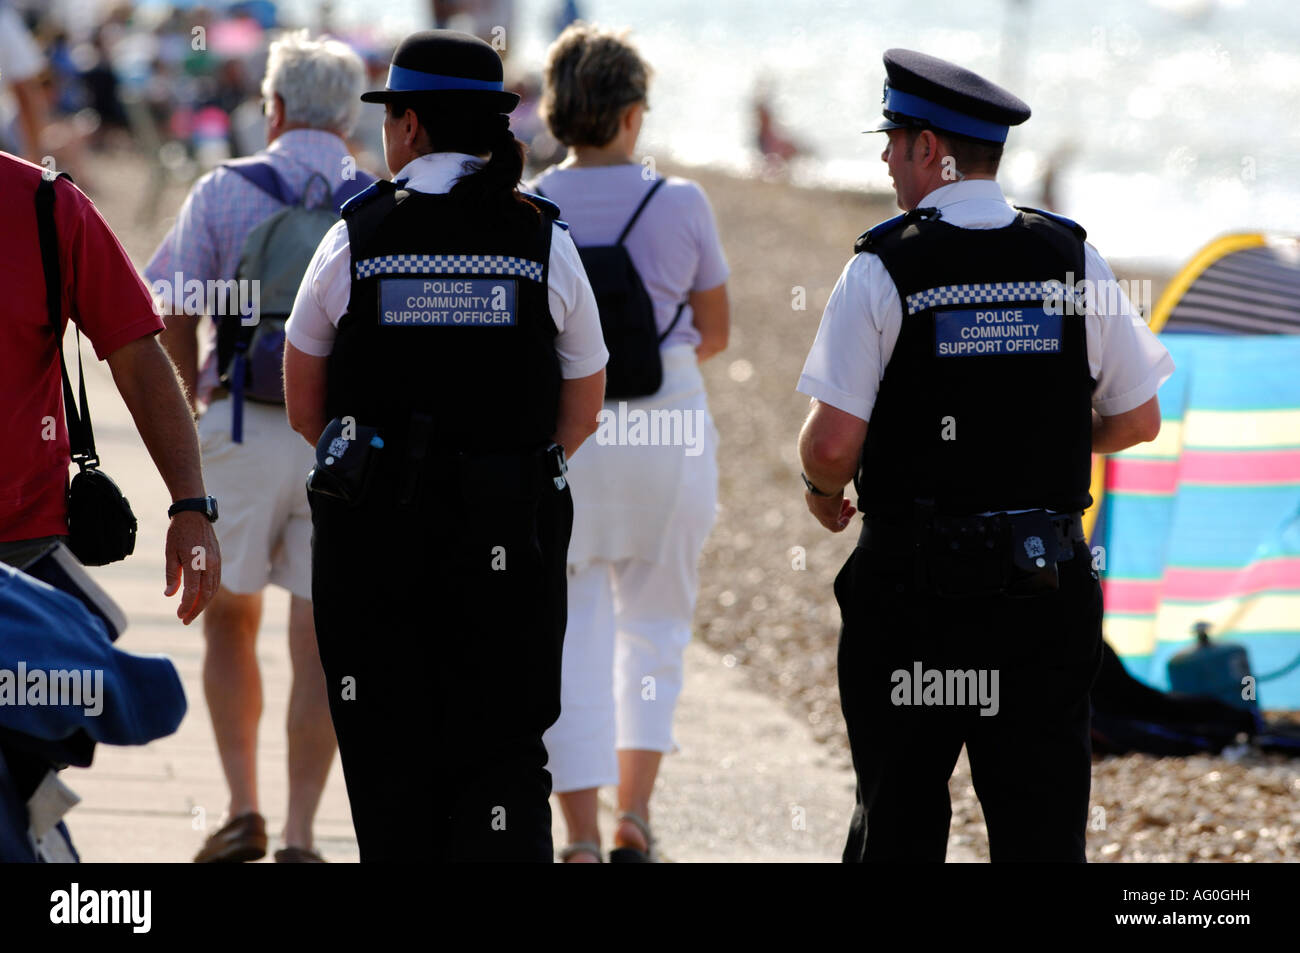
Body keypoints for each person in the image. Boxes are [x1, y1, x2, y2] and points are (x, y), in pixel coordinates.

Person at [796, 49, 1175, 862]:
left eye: (894, 138)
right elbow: (1139, 417)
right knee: (1041, 832)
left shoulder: (883, 265)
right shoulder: (1072, 259)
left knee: (897, 820)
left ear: (931, 149)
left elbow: (832, 444)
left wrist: (819, 486)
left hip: (915, 594)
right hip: (1042, 588)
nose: (886, 156)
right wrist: (1062, 438)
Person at [283, 29, 606, 862]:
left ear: (412, 126)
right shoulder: (545, 241)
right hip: (510, 541)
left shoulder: (355, 236)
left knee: (391, 757)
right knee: (503, 753)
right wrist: (506, 474)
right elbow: (585, 405)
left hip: (379, 547)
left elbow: (303, 404)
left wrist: (388, 475)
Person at [144, 30, 370, 864]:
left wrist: (192, 399)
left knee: (229, 621)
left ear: (272, 107)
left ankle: (242, 809)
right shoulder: (374, 201)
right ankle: (305, 834)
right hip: (340, 445)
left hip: (238, 423)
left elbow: (167, 307)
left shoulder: (222, 190)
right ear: (353, 116)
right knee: (318, 641)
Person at [530, 23, 729, 863]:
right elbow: (715, 331)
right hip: (667, 424)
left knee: (567, 634)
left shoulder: (531, 202)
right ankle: (634, 816)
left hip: (566, 433)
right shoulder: (678, 201)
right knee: (654, 627)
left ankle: (575, 833)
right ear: (632, 116)